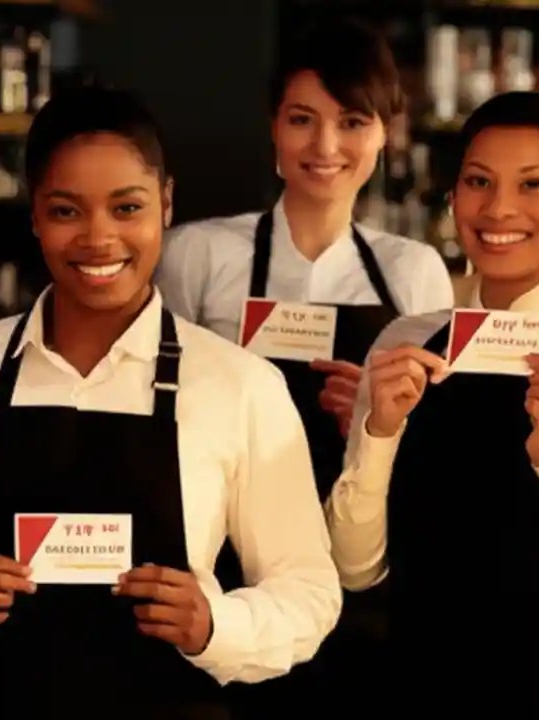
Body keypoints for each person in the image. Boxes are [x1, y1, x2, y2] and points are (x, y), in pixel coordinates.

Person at [0, 85, 340, 719]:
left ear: (166, 204)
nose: (98, 237)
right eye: (66, 211)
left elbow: (309, 591)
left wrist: (215, 624)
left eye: (126, 207)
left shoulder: (241, 386)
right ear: (33, 215)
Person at [329, 90, 539, 717]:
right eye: (478, 181)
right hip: (430, 689)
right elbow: (356, 570)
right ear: (454, 198)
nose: (499, 208)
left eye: (533, 184)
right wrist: (380, 432)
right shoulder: (404, 340)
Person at [155, 17, 454, 715]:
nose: (325, 146)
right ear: (272, 126)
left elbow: (437, 454)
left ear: (387, 132)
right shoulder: (198, 255)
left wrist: (377, 424)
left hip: (364, 570)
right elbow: (157, 407)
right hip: (225, 572)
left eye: (352, 121)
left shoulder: (414, 273)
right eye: (302, 119)